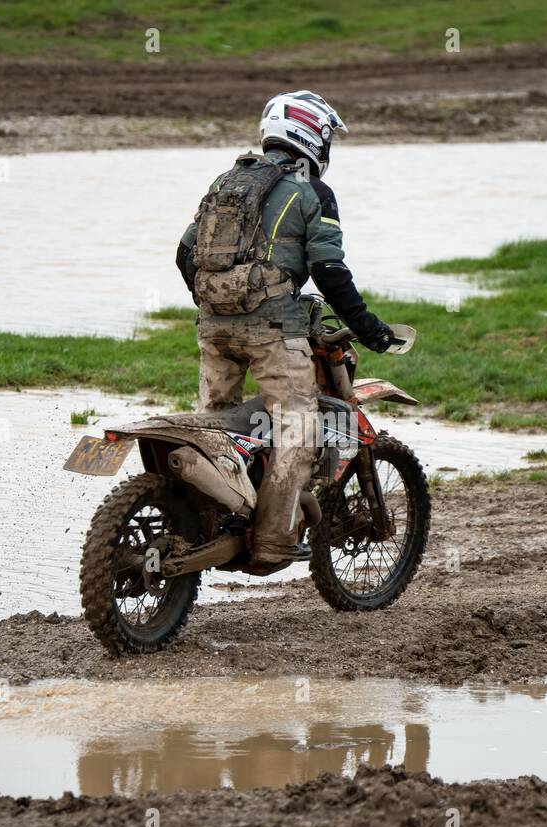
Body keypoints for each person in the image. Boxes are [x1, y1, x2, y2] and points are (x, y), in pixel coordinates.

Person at [175, 90, 393, 564]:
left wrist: (219, 305)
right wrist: (368, 326)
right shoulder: (313, 192)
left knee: (218, 429)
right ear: (314, 136)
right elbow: (329, 271)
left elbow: (184, 254)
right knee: (299, 431)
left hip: (213, 330)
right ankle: (273, 544)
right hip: (275, 333)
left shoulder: (227, 182)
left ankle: (209, 521)